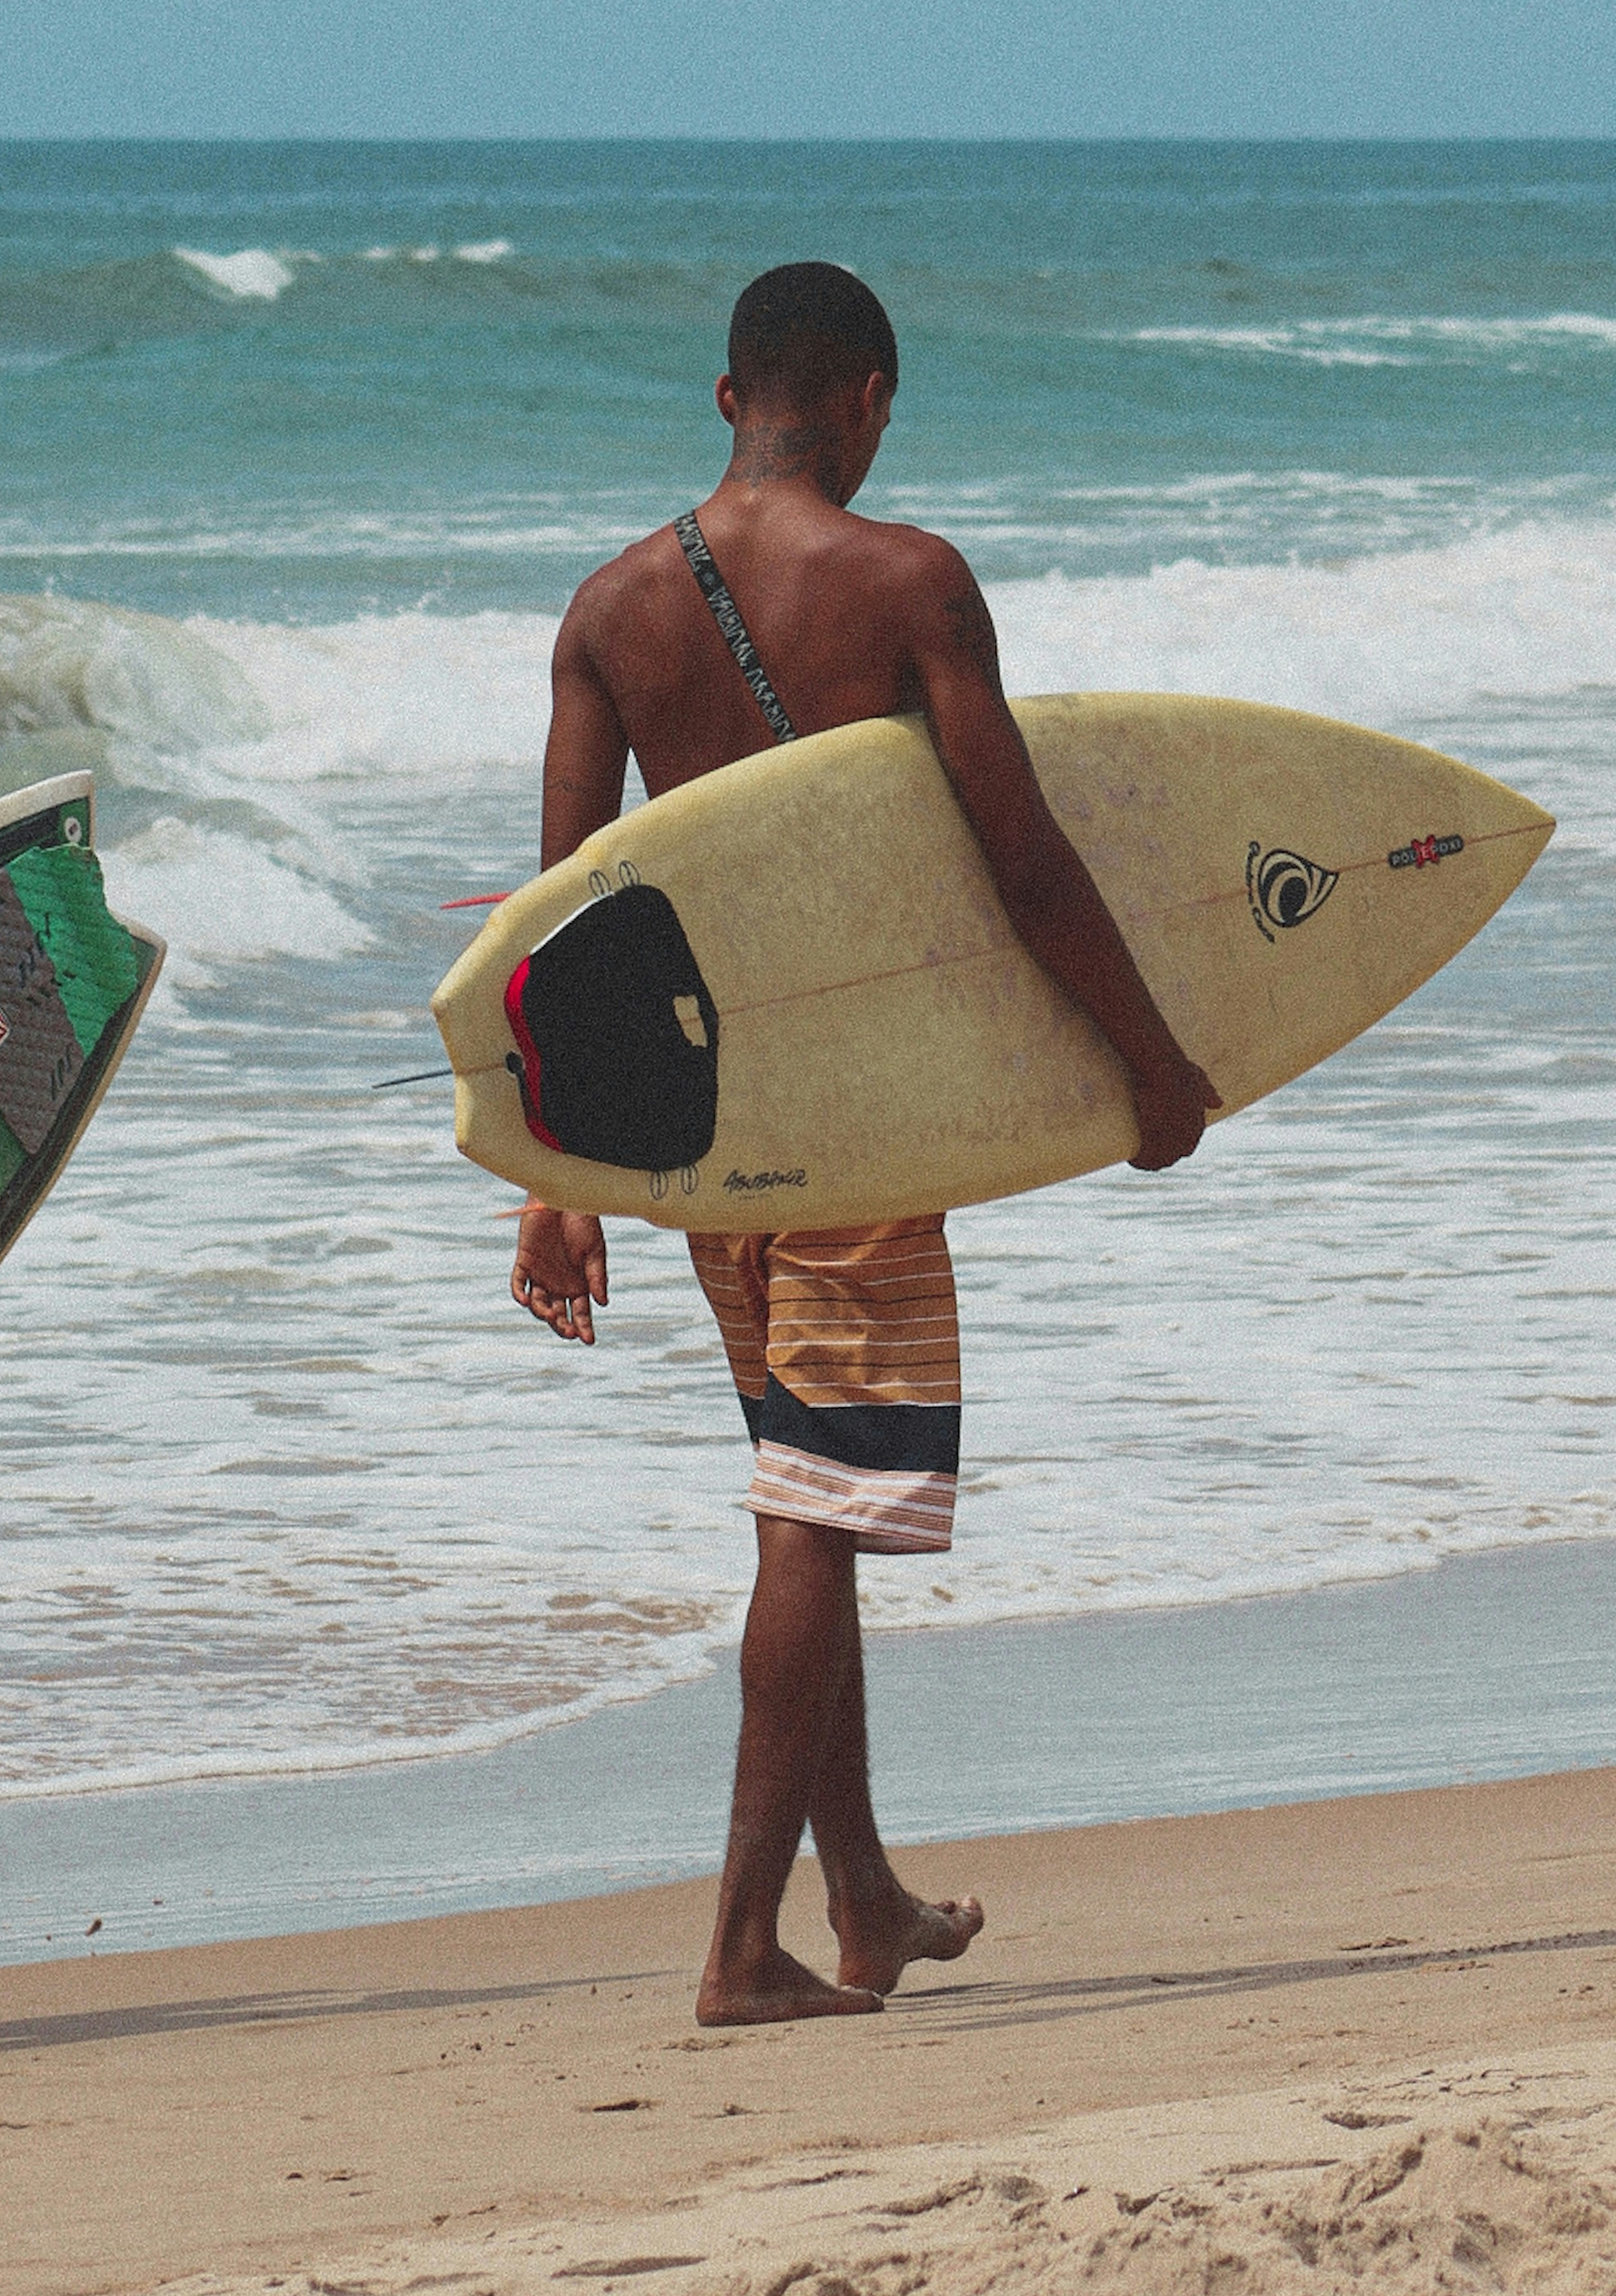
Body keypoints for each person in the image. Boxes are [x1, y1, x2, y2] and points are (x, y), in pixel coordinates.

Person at [513, 260, 1215, 2028]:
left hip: (698, 1123)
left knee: (799, 1484)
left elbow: (566, 924)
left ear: (728, 396)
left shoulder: (609, 613)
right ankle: (744, 1948)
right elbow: (1024, 859)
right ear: (872, 397)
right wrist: (1153, 1063)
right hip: (861, 1111)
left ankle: (866, 1897)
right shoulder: (911, 585)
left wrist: (556, 1180)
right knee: (813, 1513)